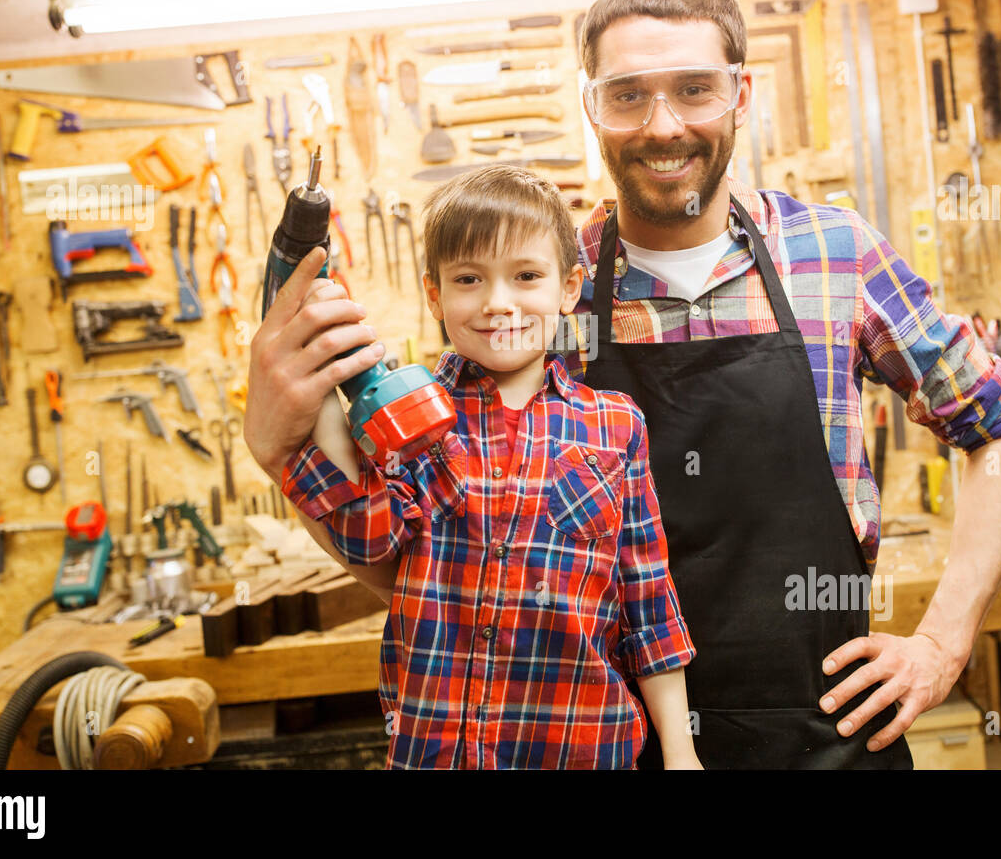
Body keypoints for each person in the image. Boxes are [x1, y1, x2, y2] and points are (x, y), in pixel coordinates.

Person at [554, 0, 1001, 768]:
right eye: (628, 94)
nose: (663, 123)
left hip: (825, 735)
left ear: (741, 95)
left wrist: (942, 643)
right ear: (592, 105)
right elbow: (443, 507)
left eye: (694, 88)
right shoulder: (549, 290)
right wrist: (285, 432)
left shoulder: (836, 254)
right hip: (613, 742)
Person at [266, 165, 700, 769]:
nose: (499, 303)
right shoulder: (408, 419)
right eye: (469, 279)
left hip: (582, 745)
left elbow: (649, 603)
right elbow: (367, 540)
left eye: (526, 276)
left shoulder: (615, 426)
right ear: (434, 294)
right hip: (437, 751)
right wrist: (328, 397)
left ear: (569, 287)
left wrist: (681, 754)